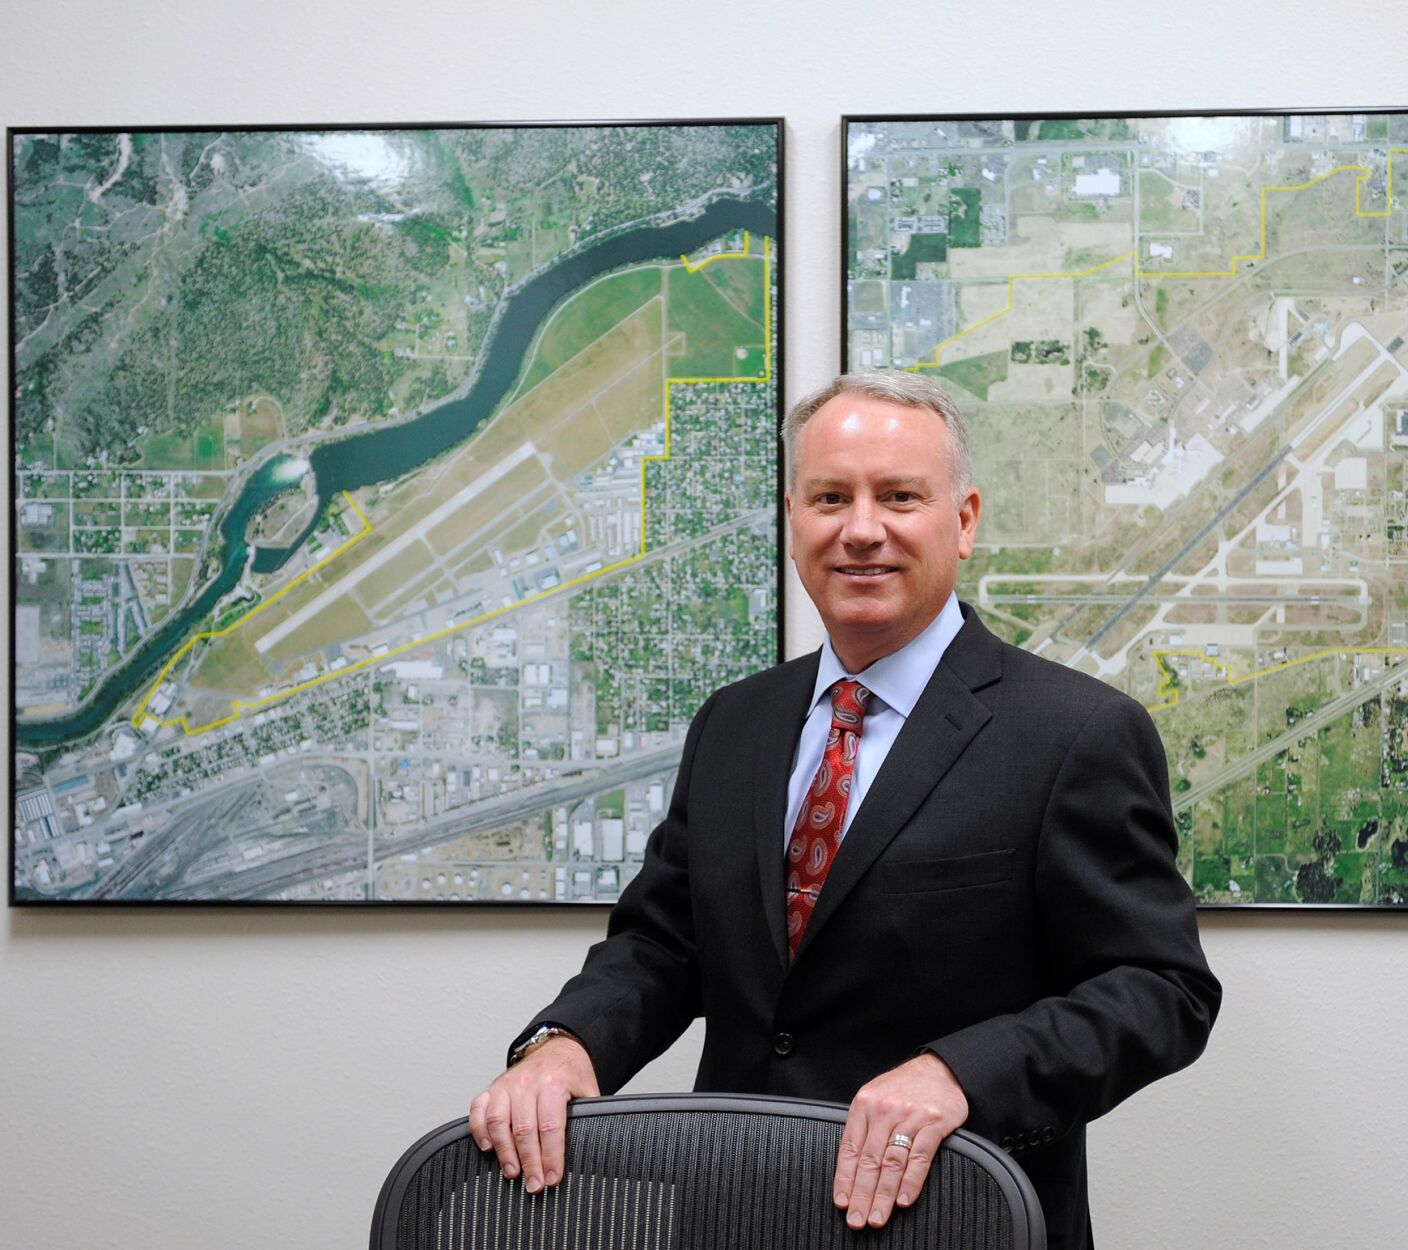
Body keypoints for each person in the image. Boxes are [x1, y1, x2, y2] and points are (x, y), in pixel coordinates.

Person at [469, 371, 1221, 1249]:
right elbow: (665, 941)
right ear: (795, 520)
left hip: (952, 1218)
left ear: (964, 519)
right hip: (734, 1214)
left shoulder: (1076, 733)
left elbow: (1159, 990)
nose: (861, 530)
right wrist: (567, 1043)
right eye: (830, 497)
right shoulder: (735, 721)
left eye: (899, 496)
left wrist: (958, 1073)